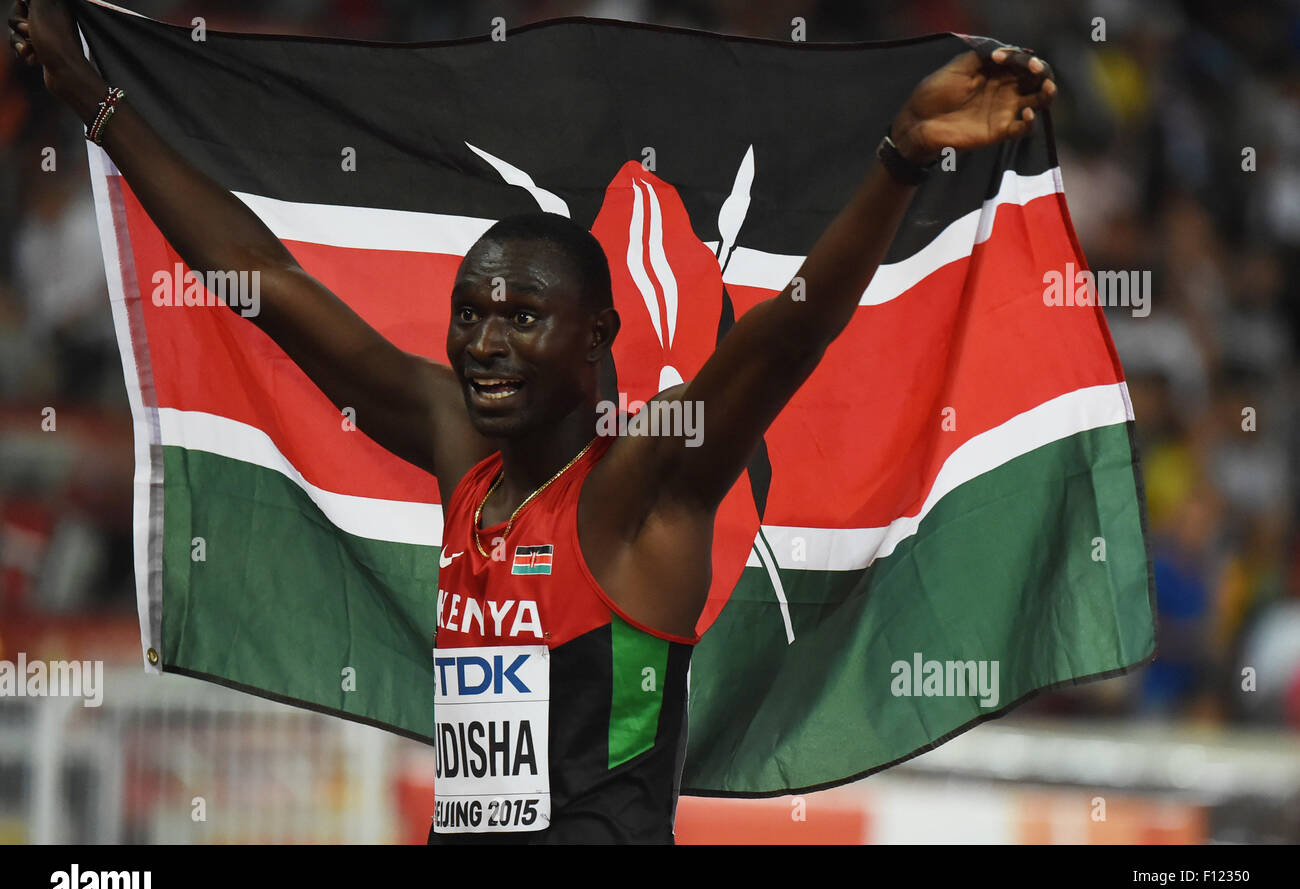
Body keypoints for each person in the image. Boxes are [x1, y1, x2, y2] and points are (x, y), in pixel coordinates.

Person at [8, 0, 1056, 843]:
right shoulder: (458, 449)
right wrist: (96, 101)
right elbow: (264, 280)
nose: (484, 341)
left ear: (595, 335)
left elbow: (787, 336)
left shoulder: (643, 488)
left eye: (521, 317)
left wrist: (899, 161)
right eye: (470, 314)